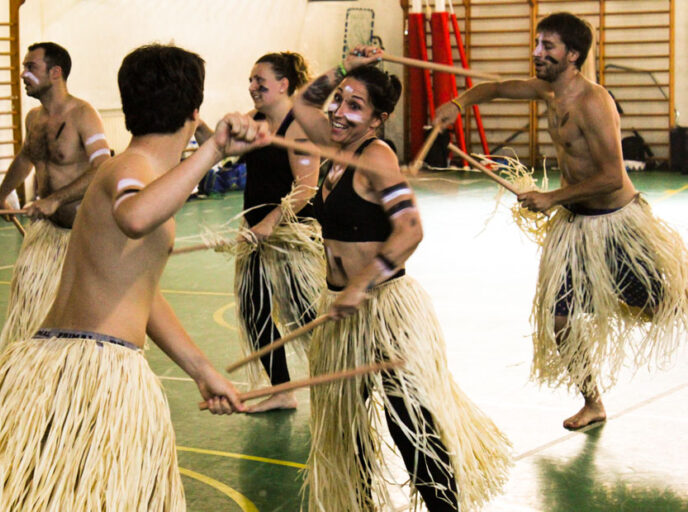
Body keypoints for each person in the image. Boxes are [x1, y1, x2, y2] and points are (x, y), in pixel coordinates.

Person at [0, 43, 263, 510]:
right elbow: (135, 215)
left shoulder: (138, 172)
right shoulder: (131, 170)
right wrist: (214, 150)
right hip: (93, 368)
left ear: (127, 108)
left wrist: (202, 370)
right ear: (193, 112)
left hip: (73, 365)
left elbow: (140, 292)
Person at [434, 12, 688, 430]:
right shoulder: (548, 91)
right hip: (577, 227)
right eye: (537, 44)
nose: (536, 54)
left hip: (617, 225)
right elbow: (494, 88)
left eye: (547, 47)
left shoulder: (593, 101)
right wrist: (456, 105)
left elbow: (609, 176)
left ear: (572, 55)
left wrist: (552, 197)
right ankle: (593, 402)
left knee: (662, 304)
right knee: (560, 318)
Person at [294, 45, 510, 512]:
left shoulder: (376, 158)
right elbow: (301, 103)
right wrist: (345, 68)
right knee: (344, 427)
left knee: (408, 421)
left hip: (384, 309)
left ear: (378, 120)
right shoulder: (335, 149)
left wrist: (361, 283)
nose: (339, 111)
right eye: (340, 99)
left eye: (355, 105)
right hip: (341, 317)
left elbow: (410, 229)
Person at [198, 52, 324, 412]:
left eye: (260, 80)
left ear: (283, 84)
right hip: (255, 234)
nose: (252, 86)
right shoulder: (254, 121)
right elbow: (221, 150)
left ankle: (340, 383)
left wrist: (270, 223)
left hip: (292, 237)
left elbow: (306, 187)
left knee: (305, 317)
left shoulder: (298, 126)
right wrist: (195, 123)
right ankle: (282, 390)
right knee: (254, 310)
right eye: (251, 80)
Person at [0, 42, 111, 351]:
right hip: (45, 235)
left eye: (31, 67)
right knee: (31, 310)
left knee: (77, 322)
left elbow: (103, 167)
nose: (23, 74)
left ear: (55, 72)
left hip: (80, 236)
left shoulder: (83, 114)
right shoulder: (34, 118)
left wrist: (55, 199)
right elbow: (26, 158)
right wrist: (1, 195)